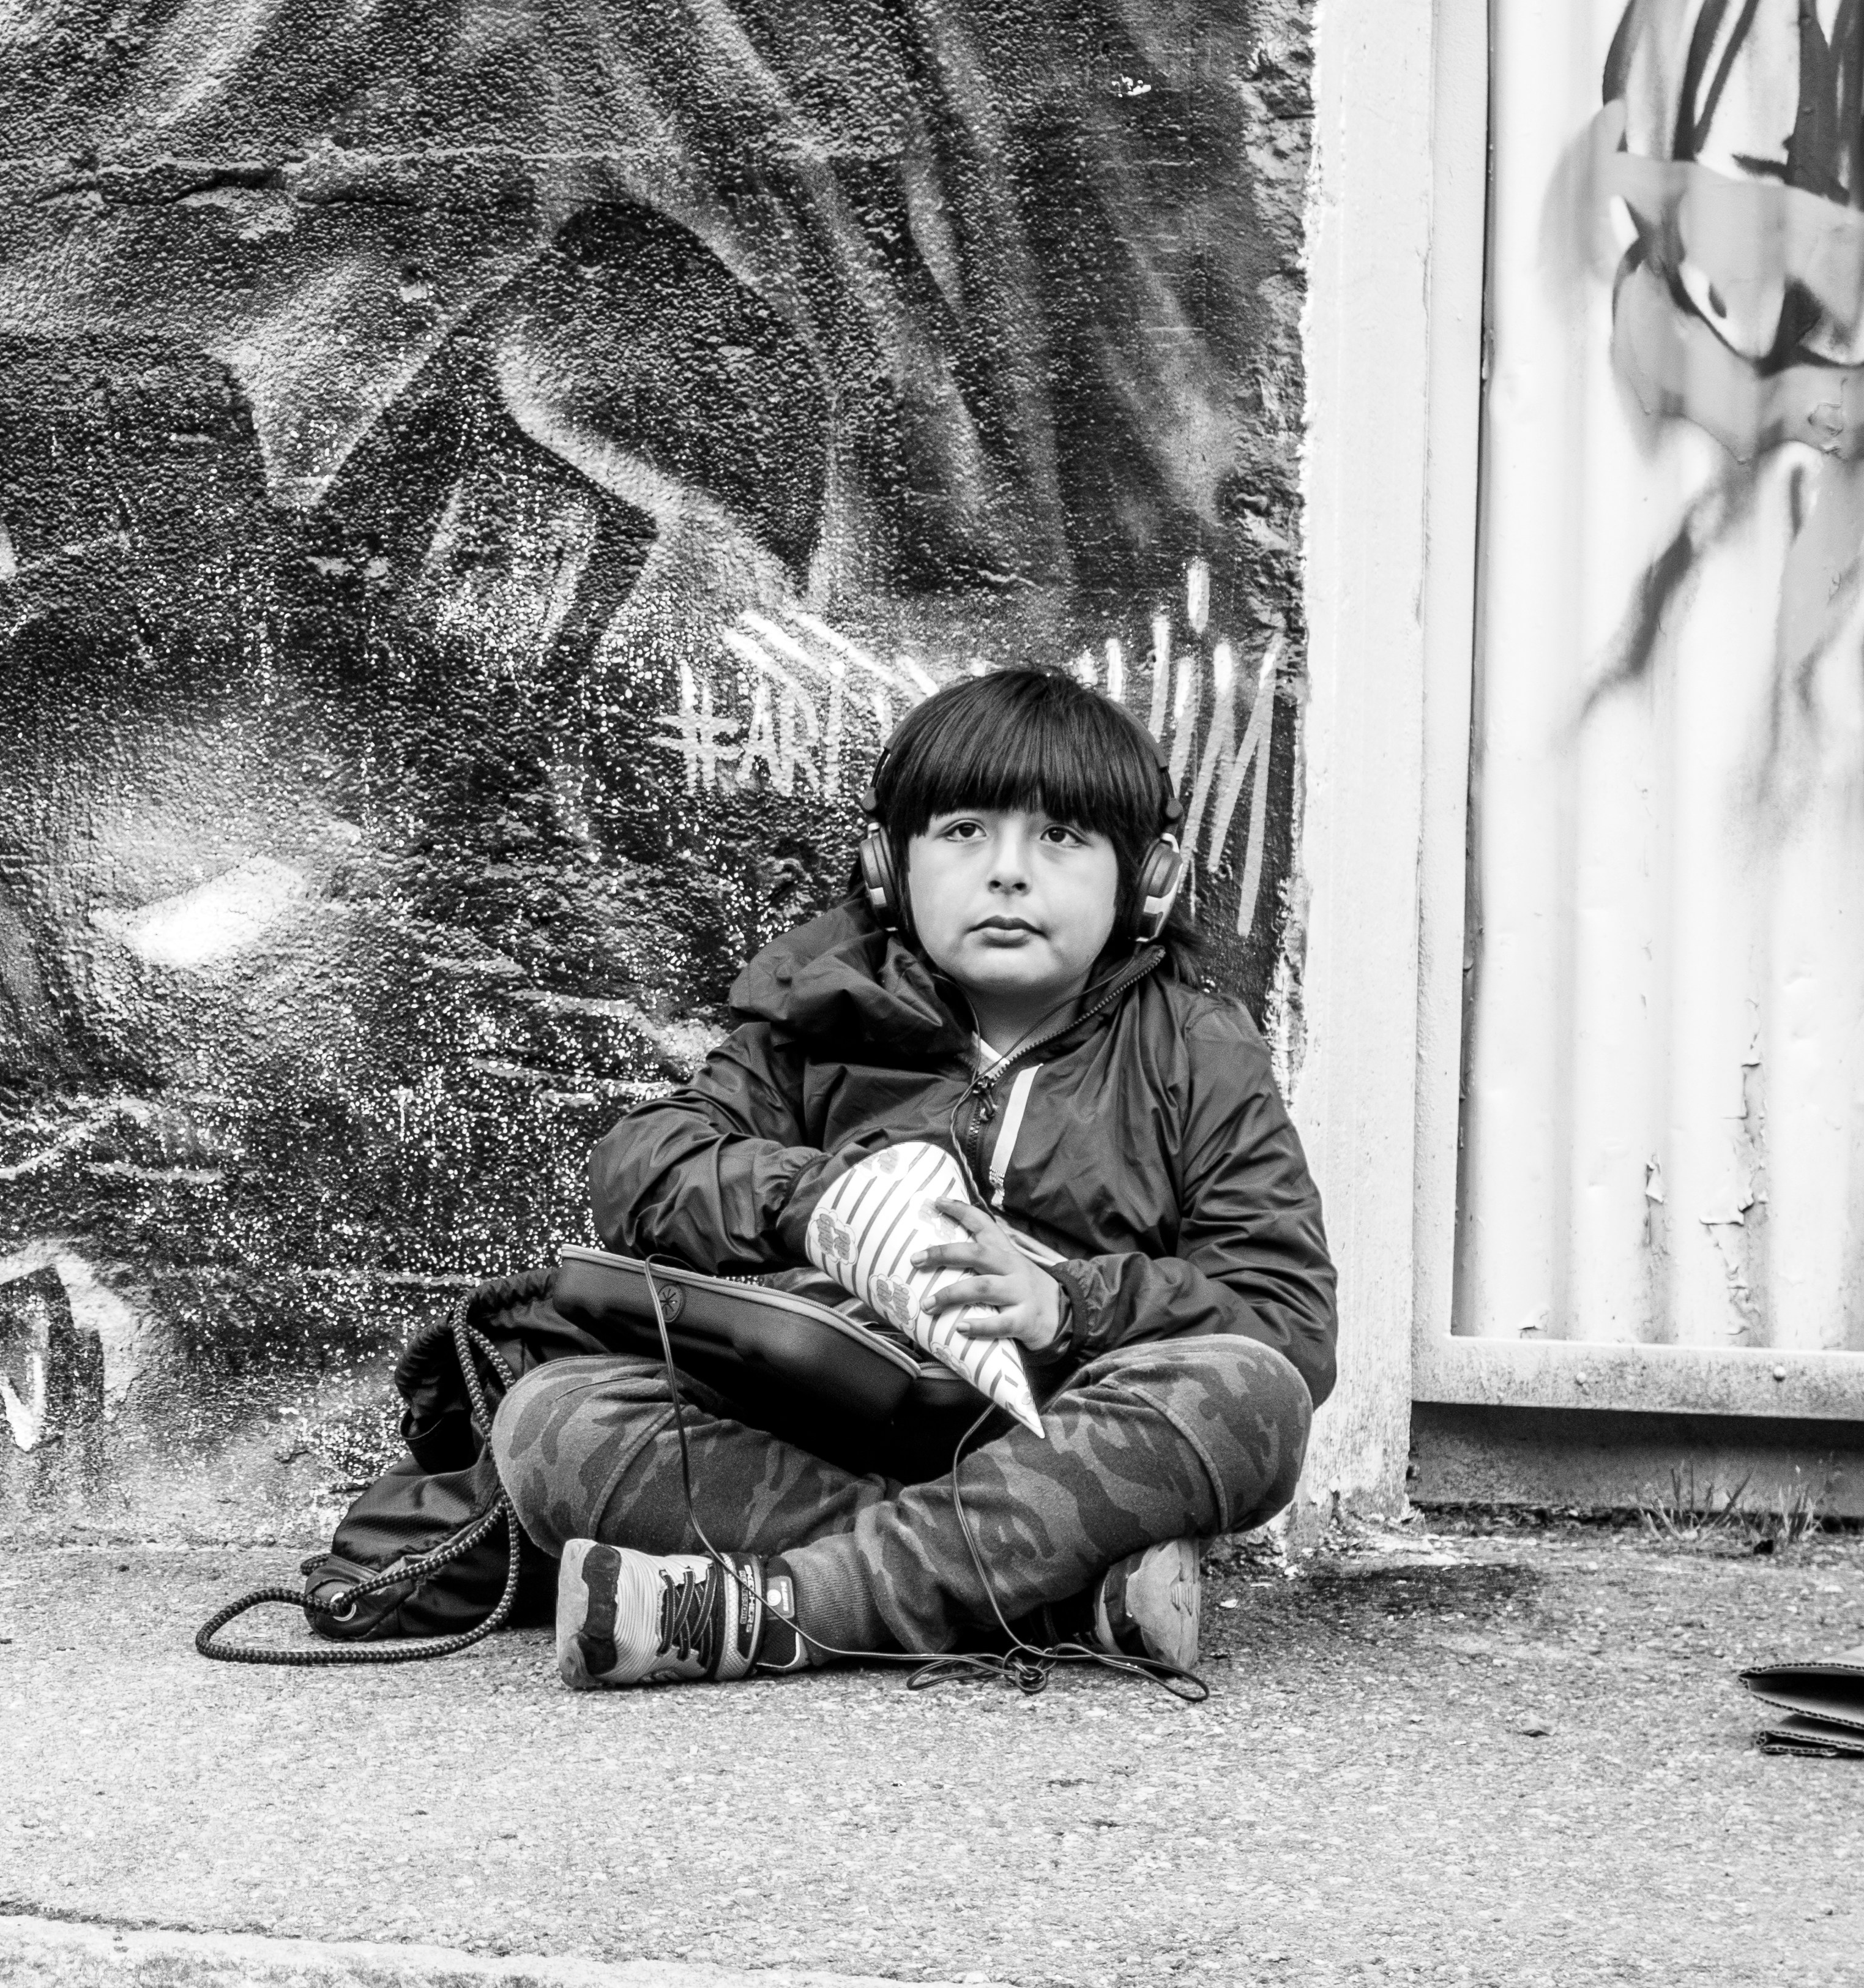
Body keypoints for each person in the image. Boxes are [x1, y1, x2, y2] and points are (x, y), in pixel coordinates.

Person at [489, 667, 1335, 1687]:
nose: (1008, 873)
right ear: (888, 867)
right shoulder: (821, 1016)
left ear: (1144, 881)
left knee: (1249, 1396)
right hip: (829, 1438)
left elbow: (1286, 1321)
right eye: (963, 831)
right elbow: (644, 1162)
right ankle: (1062, 1595)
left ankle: (782, 1609)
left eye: (1062, 837)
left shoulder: (1201, 1049)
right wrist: (821, 1202)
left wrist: (1070, 1300)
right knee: (549, 1423)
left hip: (1068, 1438)